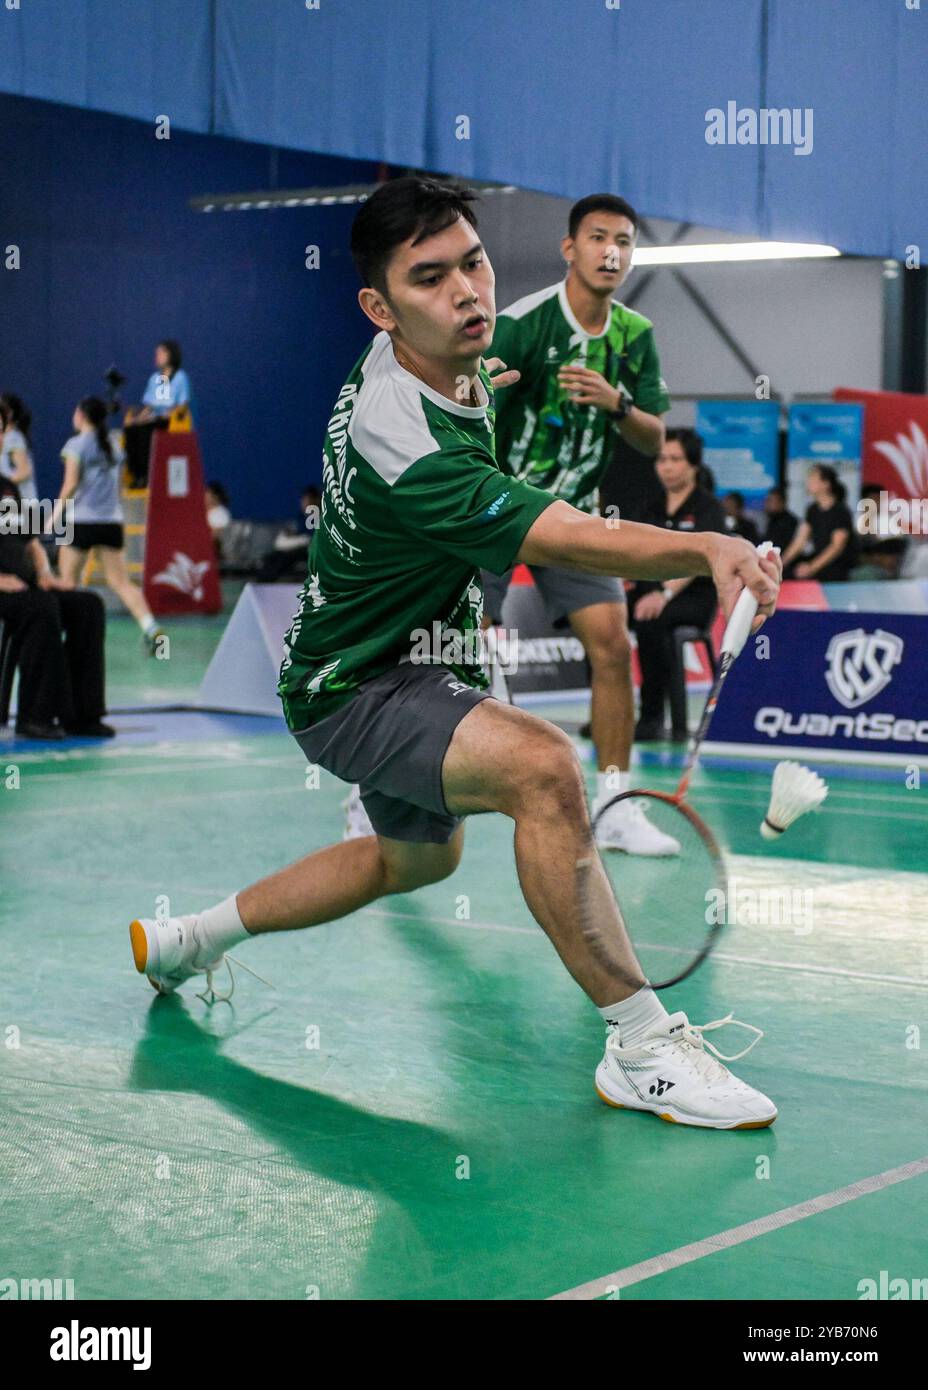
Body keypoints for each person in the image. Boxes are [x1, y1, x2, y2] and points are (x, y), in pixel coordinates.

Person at [129, 176, 782, 1132]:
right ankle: (641, 1046)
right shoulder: (402, 432)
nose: (467, 292)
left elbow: (469, 390)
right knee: (545, 770)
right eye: (429, 279)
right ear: (379, 308)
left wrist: (485, 383)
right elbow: (556, 534)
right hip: (354, 684)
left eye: (473, 263)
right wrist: (706, 547)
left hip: (414, 658)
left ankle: (188, 939)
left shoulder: (444, 360)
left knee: (409, 865)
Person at [476, 193, 674, 854]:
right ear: (570, 248)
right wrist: (483, 391)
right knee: (450, 651)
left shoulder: (634, 336)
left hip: (574, 519)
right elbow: (462, 403)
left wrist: (617, 402)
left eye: (623, 239)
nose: (611, 250)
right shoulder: (522, 324)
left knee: (614, 646)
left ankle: (615, 806)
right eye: (597, 237)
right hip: (498, 508)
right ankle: (376, 796)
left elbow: (653, 439)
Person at [629, 430, 729, 741]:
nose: (667, 467)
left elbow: (702, 559)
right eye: (661, 460)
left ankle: (652, 716)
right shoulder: (650, 507)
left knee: (653, 623)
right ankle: (607, 712)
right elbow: (637, 552)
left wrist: (665, 593)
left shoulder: (709, 507)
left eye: (675, 459)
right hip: (650, 591)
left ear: (694, 465)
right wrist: (648, 591)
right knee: (602, 618)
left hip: (694, 597)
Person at [0, 477, 112, 740]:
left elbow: (32, 544)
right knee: (40, 608)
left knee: (88, 606)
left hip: (24, 586)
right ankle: (35, 717)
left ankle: (82, 715)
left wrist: (44, 574)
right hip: (6, 591)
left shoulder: (7, 488)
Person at [53, 397, 165, 654]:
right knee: (122, 583)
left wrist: (54, 516)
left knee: (68, 583)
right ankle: (153, 631)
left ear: (81, 415)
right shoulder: (114, 445)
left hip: (80, 523)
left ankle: (64, 639)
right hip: (111, 524)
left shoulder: (75, 445)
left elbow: (70, 485)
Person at [123, 341, 193, 485]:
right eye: (157, 354)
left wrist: (167, 414)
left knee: (145, 431)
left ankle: (146, 475)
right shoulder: (154, 379)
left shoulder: (180, 377)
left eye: (161, 353)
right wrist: (137, 420)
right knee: (131, 429)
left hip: (170, 420)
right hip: (153, 419)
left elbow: (183, 405)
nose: (157, 356)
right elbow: (149, 407)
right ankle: (135, 474)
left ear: (171, 355)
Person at [781, 464, 855, 581]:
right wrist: (780, 563)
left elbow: (836, 547)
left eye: (813, 479)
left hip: (838, 567)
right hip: (819, 562)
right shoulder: (812, 510)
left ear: (826, 484)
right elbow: (800, 541)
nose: (808, 483)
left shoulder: (841, 511)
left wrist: (811, 567)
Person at [256, 486, 321, 583]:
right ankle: (260, 582)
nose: (303, 503)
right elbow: (299, 532)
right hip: (300, 547)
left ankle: (266, 581)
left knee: (288, 556)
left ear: (315, 500)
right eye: (303, 500)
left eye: (306, 500)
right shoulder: (302, 516)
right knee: (271, 557)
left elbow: (311, 537)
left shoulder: (317, 514)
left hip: (312, 551)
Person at [0, 393, 38, 503]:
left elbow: (24, 471)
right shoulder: (6, 437)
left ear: (9, 414)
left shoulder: (13, 438)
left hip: (22, 505)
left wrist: (4, 485)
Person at [762, 486, 798, 553]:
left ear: (781, 502)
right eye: (767, 500)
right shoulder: (771, 520)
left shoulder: (790, 523)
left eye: (771, 500)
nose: (767, 504)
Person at [205, 481, 232, 561]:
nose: (203, 496)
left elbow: (214, 536)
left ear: (215, 497)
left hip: (216, 553)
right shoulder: (204, 513)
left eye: (207, 493)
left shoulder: (221, 513)